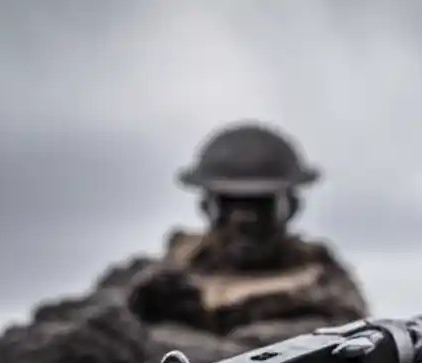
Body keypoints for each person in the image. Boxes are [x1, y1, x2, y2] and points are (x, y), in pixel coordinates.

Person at [126, 122, 369, 341]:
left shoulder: (324, 284)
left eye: (262, 205)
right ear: (205, 206)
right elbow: (100, 327)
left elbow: (347, 337)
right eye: (228, 205)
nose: (244, 220)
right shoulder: (156, 277)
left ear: (292, 208)